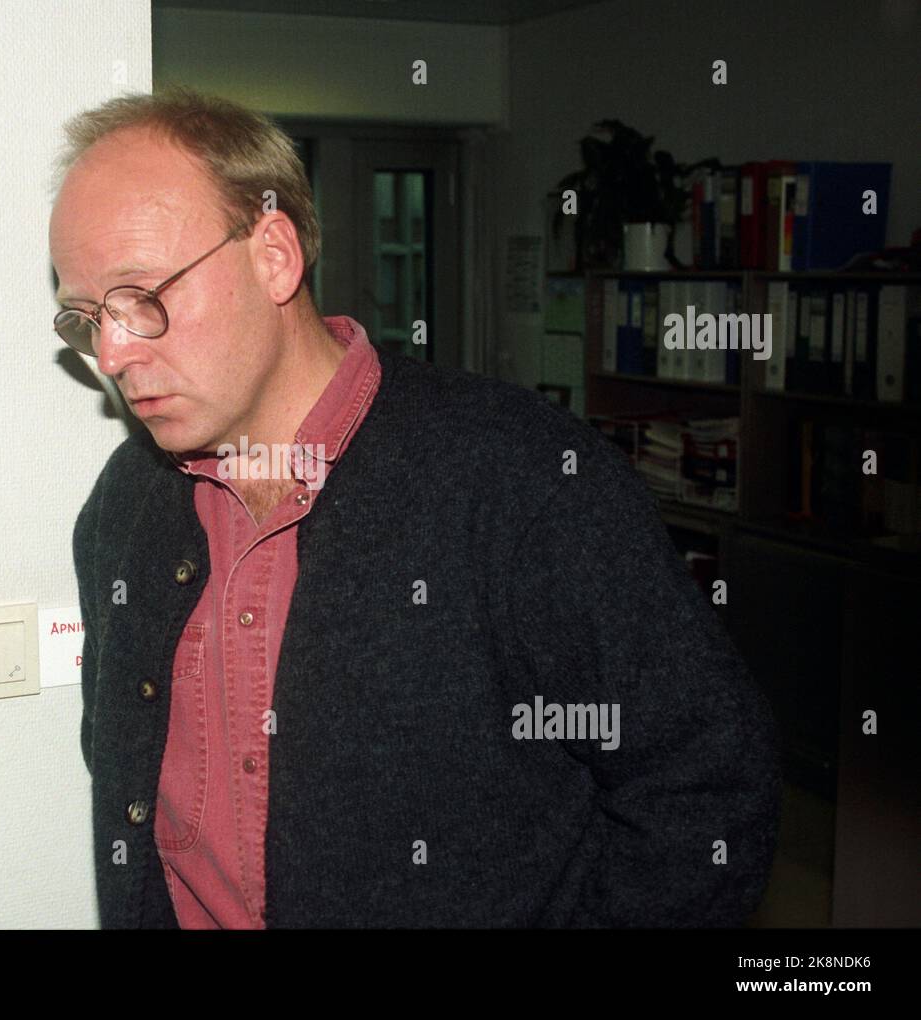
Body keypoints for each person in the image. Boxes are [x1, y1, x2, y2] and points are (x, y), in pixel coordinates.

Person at [50, 85, 782, 929]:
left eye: (143, 297)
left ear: (275, 256)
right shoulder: (124, 508)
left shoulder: (520, 478)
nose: (112, 353)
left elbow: (706, 784)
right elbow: (133, 782)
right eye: (86, 317)